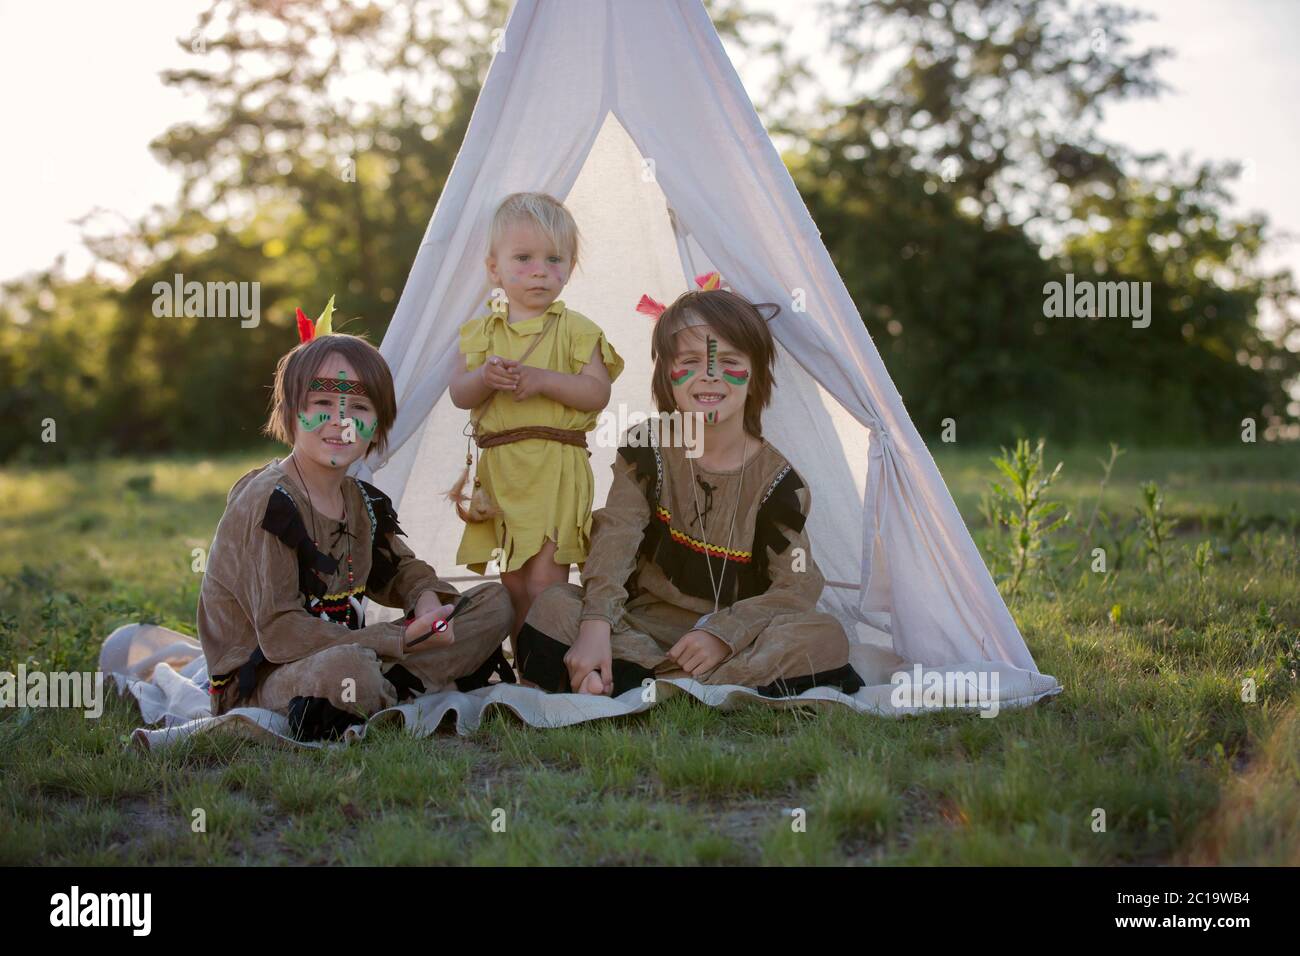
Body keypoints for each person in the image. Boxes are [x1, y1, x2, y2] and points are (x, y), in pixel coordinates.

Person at [514, 278, 864, 698]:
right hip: (640, 626)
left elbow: (797, 585)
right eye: (692, 361)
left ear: (755, 376)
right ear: (666, 375)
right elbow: (616, 539)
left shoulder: (778, 483)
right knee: (555, 604)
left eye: (728, 360)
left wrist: (723, 634)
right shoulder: (648, 448)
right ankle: (685, 685)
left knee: (824, 635)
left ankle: (641, 682)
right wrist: (595, 627)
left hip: (732, 640)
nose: (709, 376)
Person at [198, 311, 513, 741]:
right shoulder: (270, 502)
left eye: (359, 408)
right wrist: (394, 639)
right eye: (323, 405)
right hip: (268, 675)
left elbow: (401, 569)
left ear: (378, 426)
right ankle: (391, 688)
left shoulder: (359, 499)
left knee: (497, 602)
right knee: (349, 670)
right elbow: (281, 633)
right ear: (291, 412)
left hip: (356, 650)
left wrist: (425, 604)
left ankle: (389, 688)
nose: (341, 422)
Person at [448, 192, 624, 647]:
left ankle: (550, 665)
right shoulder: (481, 332)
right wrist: (485, 376)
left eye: (554, 259)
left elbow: (597, 393)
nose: (541, 270)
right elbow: (458, 393)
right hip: (503, 470)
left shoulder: (577, 329)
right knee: (513, 582)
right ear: (495, 269)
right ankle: (524, 665)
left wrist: (545, 380)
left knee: (546, 579)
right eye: (523, 258)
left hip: (554, 468)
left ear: (569, 266)